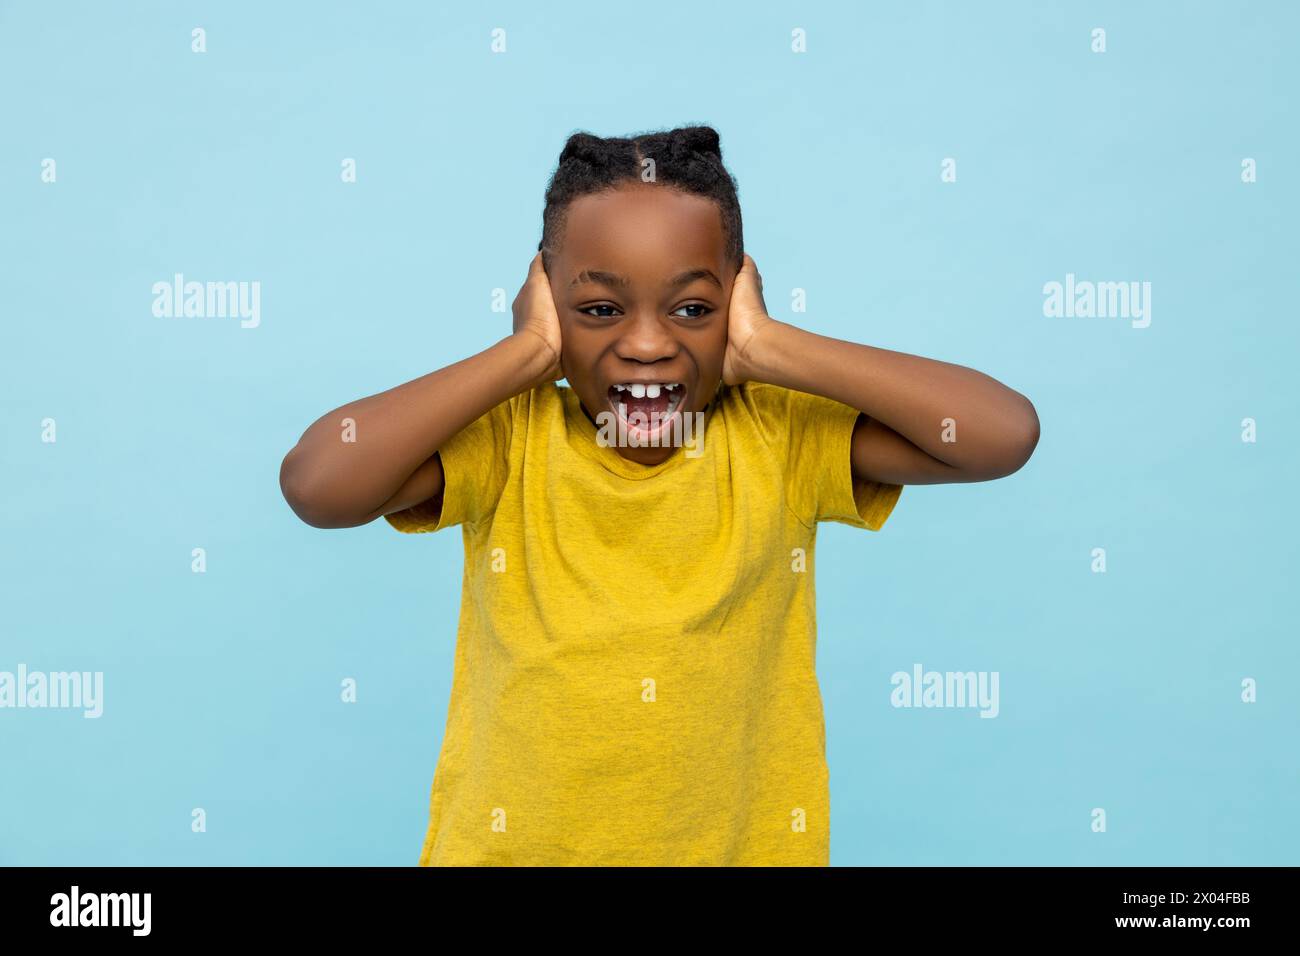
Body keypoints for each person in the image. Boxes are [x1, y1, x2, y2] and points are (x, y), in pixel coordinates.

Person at [279, 125, 1040, 866]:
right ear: (546, 298)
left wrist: (771, 348)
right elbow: (319, 485)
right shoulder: (508, 437)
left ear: (738, 300)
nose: (647, 344)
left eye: (693, 309)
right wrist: (526, 355)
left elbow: (1000, 434)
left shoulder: (780, 435)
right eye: (600, 310)